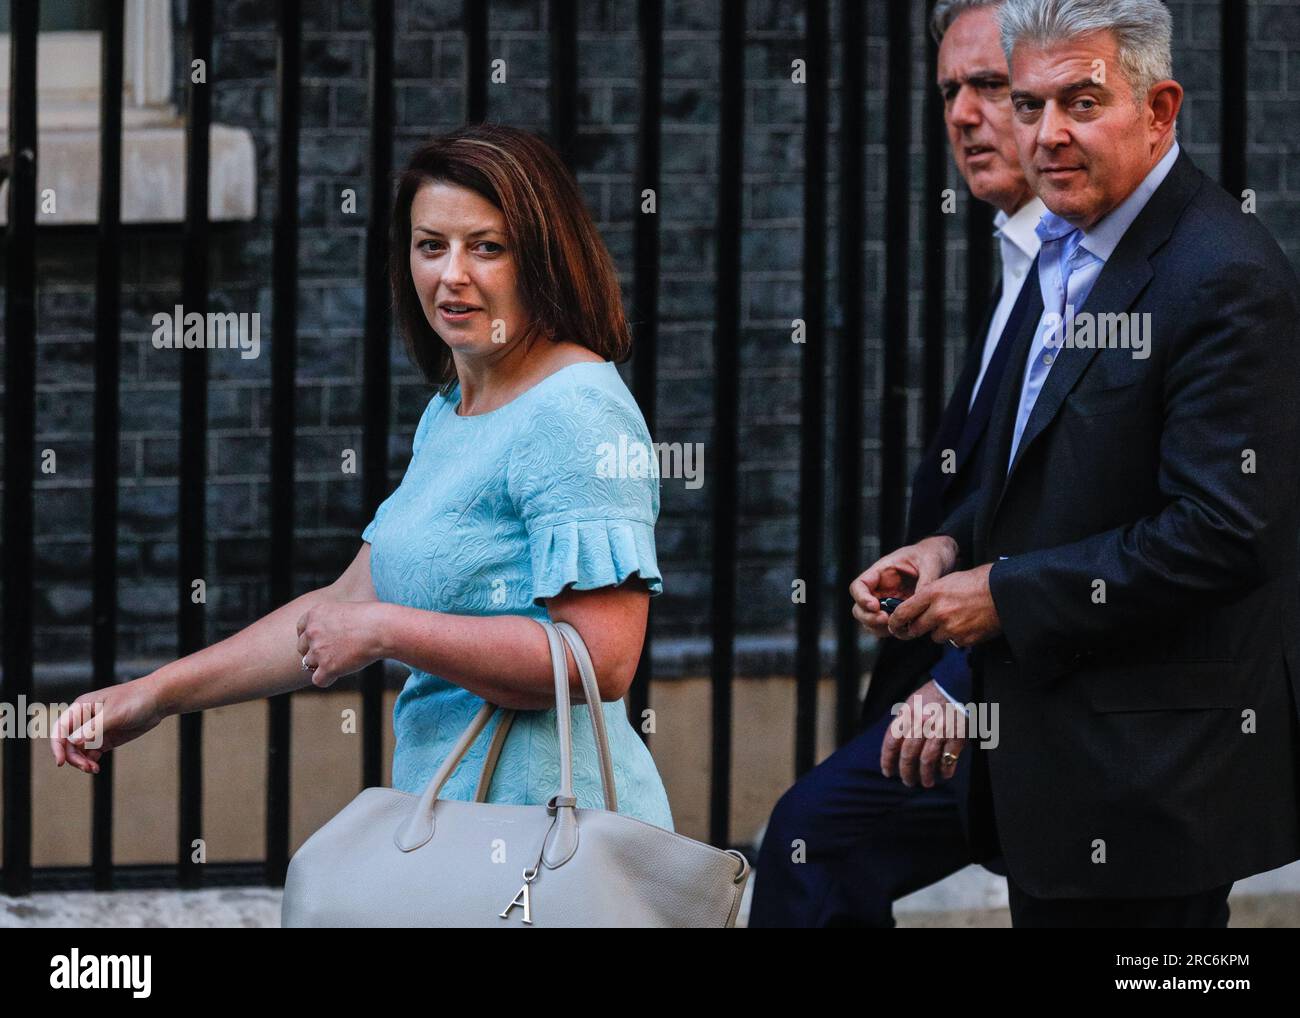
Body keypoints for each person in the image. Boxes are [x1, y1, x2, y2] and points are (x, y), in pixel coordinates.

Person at [52, 123, 674, 832]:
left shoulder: (575, 409)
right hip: (454, 820)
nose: (452, 274)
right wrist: (157, 694)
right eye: (430, 245)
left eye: (487, 247)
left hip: (546, 842)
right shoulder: (454, 410)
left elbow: (601, 662)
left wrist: (387, 632)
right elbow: (346, 603)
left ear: (543, 256)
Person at [856, 0, 1300, 927]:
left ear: (1161, 107)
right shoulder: (1064, 245)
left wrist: (1002, 593)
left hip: (1150, 786)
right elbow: (1049, 466)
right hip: (1054, 770)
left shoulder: (1224, 273)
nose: (1047, 135)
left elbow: (1226, 531)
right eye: (1028, 105)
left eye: (1082, 102)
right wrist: (947, 547)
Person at [748, 0, 1045, 927]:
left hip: (1063, 687)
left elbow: (1113, 502)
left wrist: (961, 683)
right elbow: (1021, 486)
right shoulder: (1024, 258)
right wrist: (942, 549)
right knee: (816, 844)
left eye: (989, 87)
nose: (961, 114)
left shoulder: (1107, 275)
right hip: (991, 674)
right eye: (951, 90)